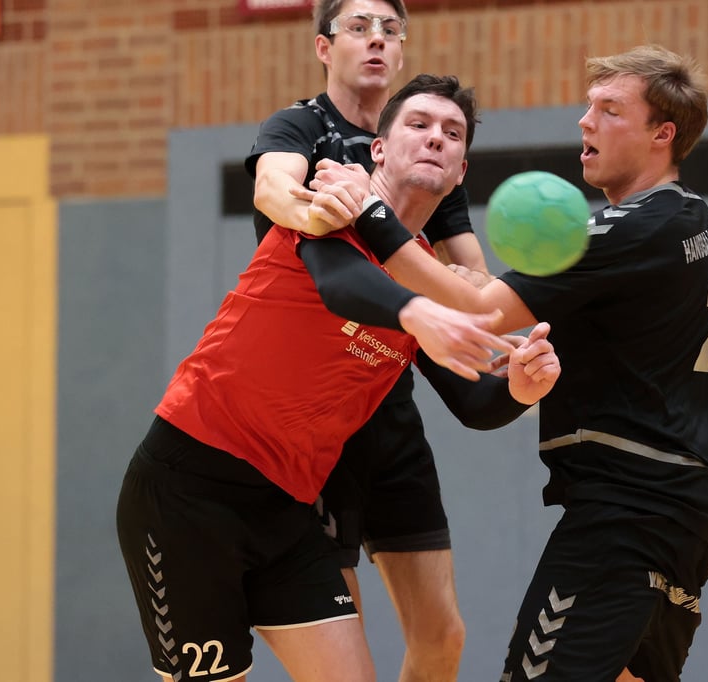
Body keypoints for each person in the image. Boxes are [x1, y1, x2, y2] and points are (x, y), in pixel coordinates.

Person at [298, 46, 708, 682]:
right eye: (588, 107)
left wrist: (370, 212)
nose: (585, 122)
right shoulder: (691, 217)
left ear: (661, 135)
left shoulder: (626, 229)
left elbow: (481, 306)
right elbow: (494, 347)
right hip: (688, 500)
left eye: (609, 110)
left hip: (629, 506)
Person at [116, 75, 562, 682]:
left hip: (284, 511)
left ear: (461, 171)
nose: (436, 138)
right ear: (377, 148)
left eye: (452, 133)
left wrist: (520, 388)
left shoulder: (428, 275)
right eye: (419, 124)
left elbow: (471, 400)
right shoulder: (329, 198)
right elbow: (340, 285)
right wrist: (416, 312)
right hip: (187, 489)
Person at [244, 3, 489, 679]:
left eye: (390, 28)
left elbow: (474, 281)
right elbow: (273, 189)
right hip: (313, 405)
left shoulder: (428, 155)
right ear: (325, 47)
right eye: (358, 26)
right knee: (342, 660)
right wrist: (321, 212)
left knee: (443, 638)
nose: (376, 38)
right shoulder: (303, 129)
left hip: (389, 397)